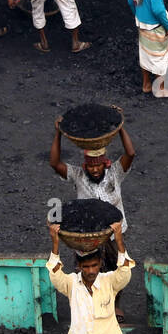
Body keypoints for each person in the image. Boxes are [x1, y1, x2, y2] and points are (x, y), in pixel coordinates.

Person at [50, 118, 135, 319]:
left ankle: (113, 305)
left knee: (117, 269)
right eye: (91, 167)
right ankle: (86, 307)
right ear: (85, 166)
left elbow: (130, 153)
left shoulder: (115, 173)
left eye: (98, 166)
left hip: (114, 234)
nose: (94, 170)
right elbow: (54, 162)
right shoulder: (78, 175)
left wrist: (120, 128)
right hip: (87, 236)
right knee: (86, 270)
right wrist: (58, 134)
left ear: (104, 164)